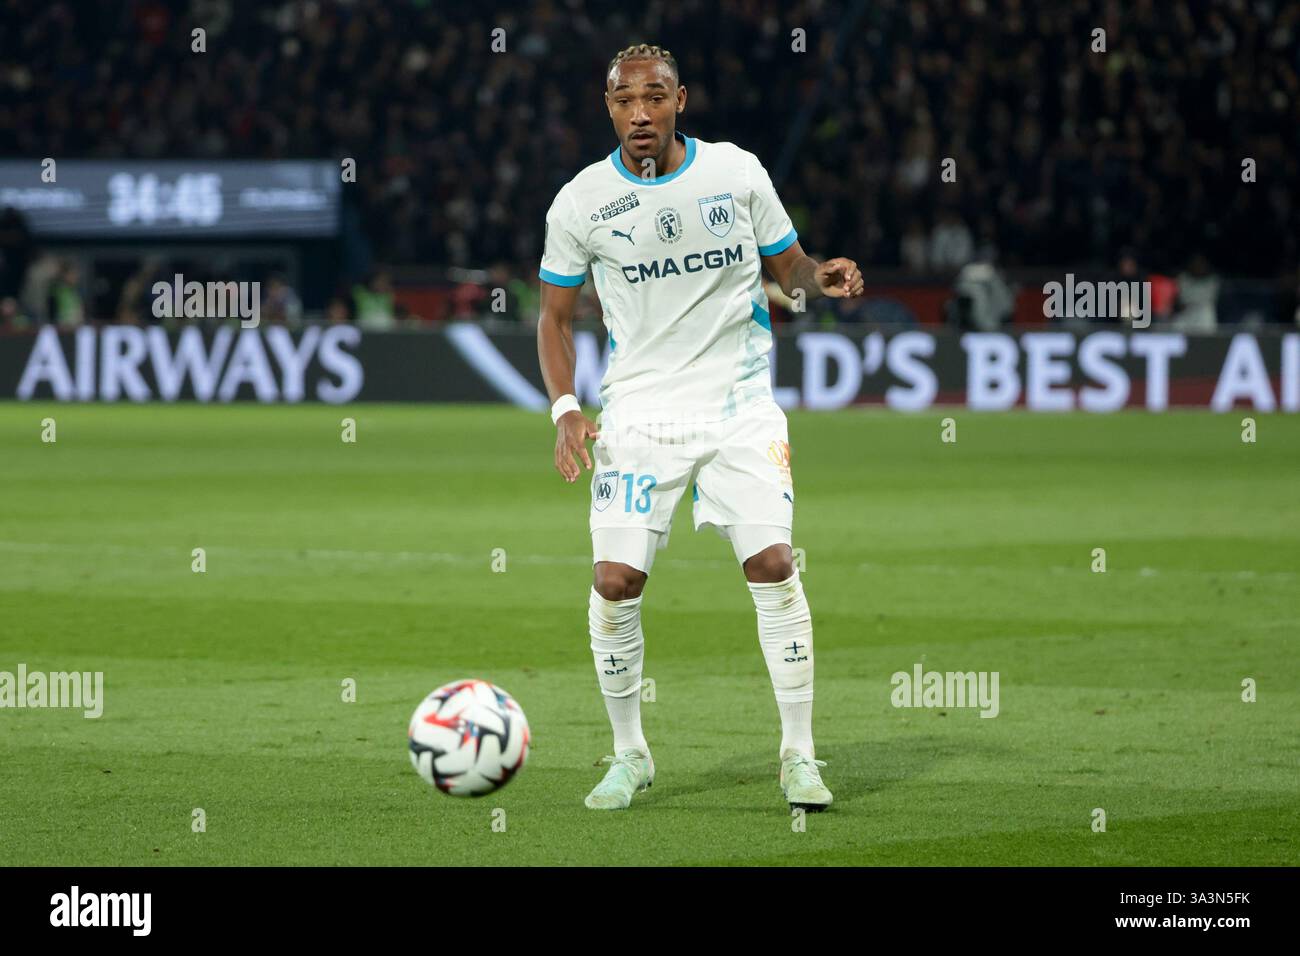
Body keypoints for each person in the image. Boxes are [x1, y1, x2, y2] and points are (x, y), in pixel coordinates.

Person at [536, 44, 864, 812]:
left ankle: (799, 757)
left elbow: (789, 268)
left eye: (655, 97)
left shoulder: (736, 172)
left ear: (682, 99)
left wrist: (823, 279)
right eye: (624, 100)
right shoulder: (580, 202)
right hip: (641, 413)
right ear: (607, 107)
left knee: (775, 565)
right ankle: (629, 754)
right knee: (615, 583)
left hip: (738, 406)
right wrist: (565, 409)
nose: (640, 112)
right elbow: (553, 319)